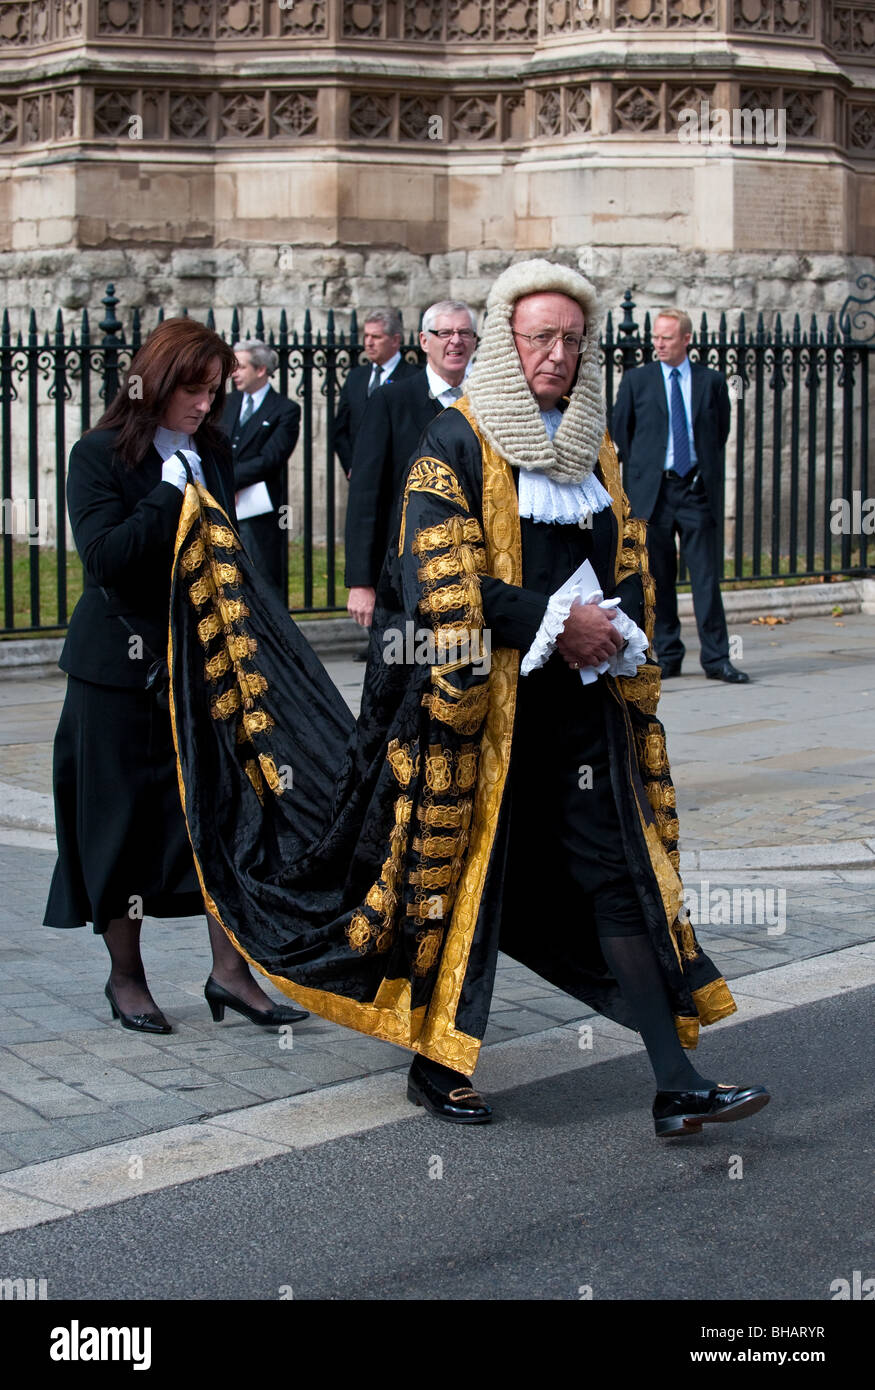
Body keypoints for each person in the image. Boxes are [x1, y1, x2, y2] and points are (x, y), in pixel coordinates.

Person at [168, 261, 768, 1139]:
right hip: (476, 715)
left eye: (571, 339)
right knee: (456, 879)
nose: (556, 355)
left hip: (578, 714)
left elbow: (632, 559)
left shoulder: (594, 448)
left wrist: (616, 625)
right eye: (539, 338)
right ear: (505, 342)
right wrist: (557, 624)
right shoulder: (456, 440)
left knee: (615, 879)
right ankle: (435, 1063)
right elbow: (436, 578)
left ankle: (675, 1083)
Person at [43, 317, 308, 1034]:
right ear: (155, 382)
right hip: (118, 673)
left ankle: (230, 973)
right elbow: (105, 560)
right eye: (192, 390)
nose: (203, 405)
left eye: (214, 392)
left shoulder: (212, 451)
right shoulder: (97, 454)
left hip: (204, 664)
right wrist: (166, 492)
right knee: (118, 823)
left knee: (223, 814)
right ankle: (126, 978)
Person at [611, 309, 749, 682]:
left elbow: (717, 432)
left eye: (666, 337)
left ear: (686, 339)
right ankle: (669, 653)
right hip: (653, 492)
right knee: (658, 577)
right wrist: (647, 468)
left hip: (695, 489)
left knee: (706, 577)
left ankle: (717, 658)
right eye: (655, 337)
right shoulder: (638, 381)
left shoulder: (712, 382)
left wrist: (698, 471)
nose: (658, 343)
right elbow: (621, 430)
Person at [345, 299, 478, 630]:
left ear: (475, 341)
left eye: (464, 332)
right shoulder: (390, 402)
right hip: (405, 573)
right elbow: (365, 495)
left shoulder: (488, 403)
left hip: (477, 574)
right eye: (444, 332)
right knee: (407, 671)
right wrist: (360, 582)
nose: (455, 341)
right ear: (423, 341)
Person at [221, 341, 301, 600]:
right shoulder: (225, 403)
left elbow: (271, 458)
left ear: (261, 370)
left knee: (262, 580)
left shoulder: (285, 409)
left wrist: (231, 480)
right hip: (221, 503)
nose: (234, 373)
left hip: (259, 511)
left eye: (241, 367)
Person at [333, 309, 418, 479]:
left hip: (398, 478)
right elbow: (340, 428)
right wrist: (350, 466)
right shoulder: (356, 377)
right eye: (366, 336)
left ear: (395, 340)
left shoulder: (413, 377)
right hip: (360, 476)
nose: (369, 343)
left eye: (376, 337)